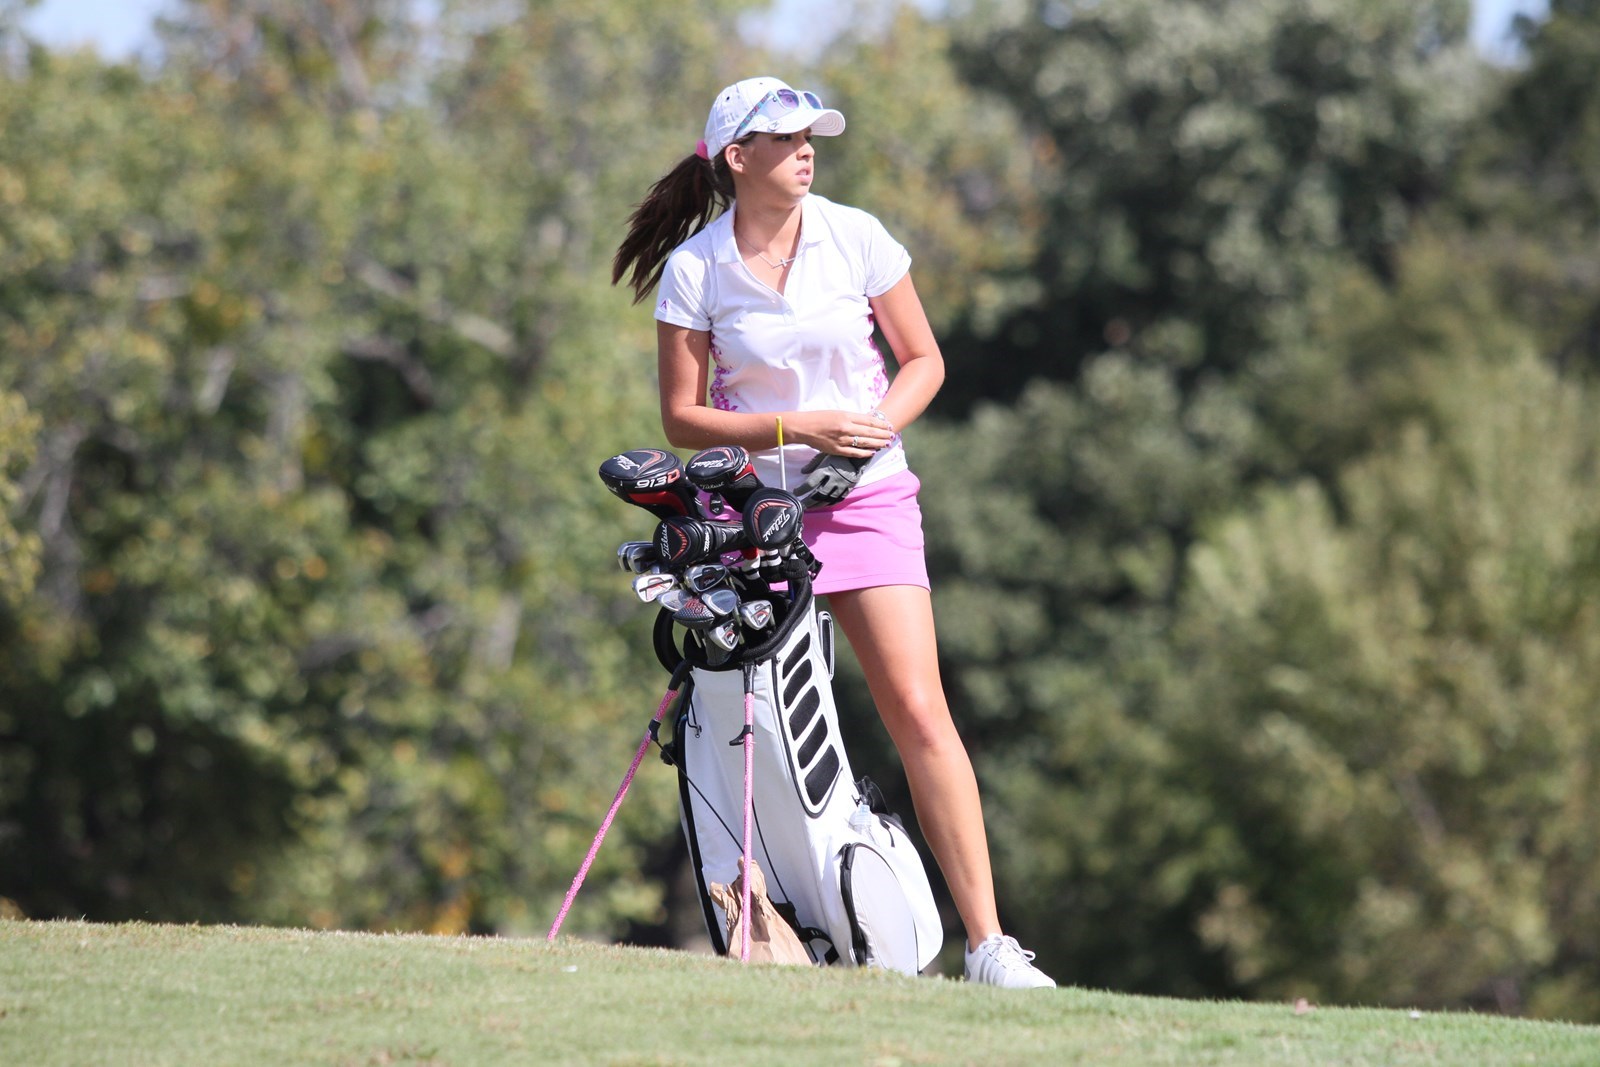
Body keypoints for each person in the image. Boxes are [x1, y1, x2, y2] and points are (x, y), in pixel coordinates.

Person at [611, 76, 1054, 990]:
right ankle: (778, 933)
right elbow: (683, 417)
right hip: (755, 523)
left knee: (920, 713)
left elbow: (924, 360)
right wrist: (797, 428)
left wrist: (869, 433)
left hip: (867, 500)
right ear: (739, 159)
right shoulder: (697, 268)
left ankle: (990, 946)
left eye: (813, 134)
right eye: (786, 136)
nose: (808, 148)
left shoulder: (857, 234)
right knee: (753, 739)